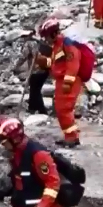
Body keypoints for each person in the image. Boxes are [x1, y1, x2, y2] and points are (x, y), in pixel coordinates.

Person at [37, 19, 83, 148]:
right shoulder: (58, 45)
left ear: (53, 34)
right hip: (61, 80)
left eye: (47, 36)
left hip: (69, 81)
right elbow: (57, 64)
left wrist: (68, 82)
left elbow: (73, 64)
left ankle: (72, 137)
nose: (46, 40)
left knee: (64, 109)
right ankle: (70, 135)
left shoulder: (67, 44)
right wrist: (43, 61)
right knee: (60, 109)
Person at [13, 32, 51, 115]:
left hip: (36, 70)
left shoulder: (28, 44)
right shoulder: (38, 42)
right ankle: (32, 107)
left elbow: (22, 57)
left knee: (35, 90)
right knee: (34, 89)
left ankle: (41, 110)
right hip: (45, 70)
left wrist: (16, 67)